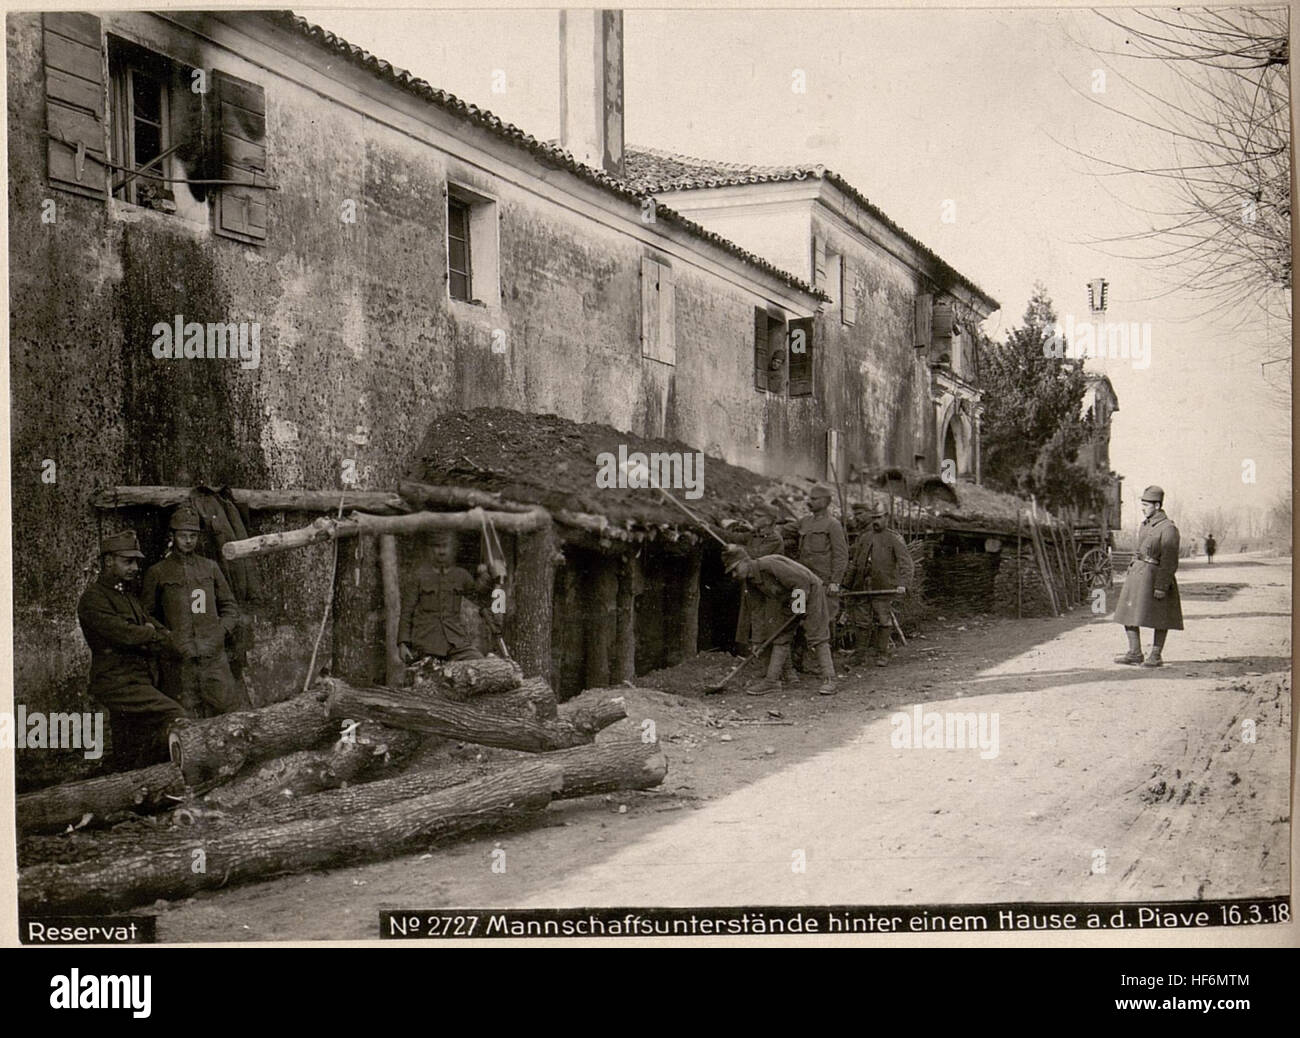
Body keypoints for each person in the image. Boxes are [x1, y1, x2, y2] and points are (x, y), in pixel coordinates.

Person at [76, 530, 185, 770]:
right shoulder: (93, 599)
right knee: (175, 714)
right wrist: (146, 632)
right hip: (117, 683)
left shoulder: (128, 596)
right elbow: (125, 634)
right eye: (128, 561)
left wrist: (152, 632)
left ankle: (130, 791)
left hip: (138, 680)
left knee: (130, 748)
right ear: (108, 561)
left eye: (136, 561)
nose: (135, 567)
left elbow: (156, 630)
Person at [141, 506, 247, 717]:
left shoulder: (210, 568)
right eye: (182, 536)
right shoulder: (158, 572)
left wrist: (219, 634)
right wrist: (170, 638)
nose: (188, 541)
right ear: (172, 536)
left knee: (226, 711)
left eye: (193, 536)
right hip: (179, 660)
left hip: (213, 657)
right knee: (184, 716)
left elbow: (230, 607)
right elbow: (146, 615)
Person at [723, 545, 836, 695]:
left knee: (817, 635)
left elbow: (801, 581)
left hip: (811, 591)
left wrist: (798, 609)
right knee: (779, 636)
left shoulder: (769, 565)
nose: (734, 575)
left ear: (745, 562)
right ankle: (771, 682)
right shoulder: (750, 582)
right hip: (789, 600)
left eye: (735, 569)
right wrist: (757, 641)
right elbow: (757, 611)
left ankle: (830, 679)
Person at [1112, 485, 1183, 668]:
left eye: (1146, 504)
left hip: (1155, 577)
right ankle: (1135, 653)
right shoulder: (1144, 525)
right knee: (1127, 613)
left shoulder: (1168, 529)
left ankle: (1156, 655)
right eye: (1142, 504)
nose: (1142, 508)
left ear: (1157, 506)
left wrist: (1161, 585)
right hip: (1137, 576)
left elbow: (1169, 561)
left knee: (1161, 616)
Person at [399, 531, 493, 663]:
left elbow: (480, 599)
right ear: (430, 549)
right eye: (437, 546)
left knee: (480, 664)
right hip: (426, 645)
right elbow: (406, 612)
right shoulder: (419, 576)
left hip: (456, 643)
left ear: (453, 548)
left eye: (445, 546)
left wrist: (487, 580)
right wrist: (402, 643)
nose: (441, 551)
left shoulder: (461, 576)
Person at [843, 508, 914, 667]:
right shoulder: (865, 537)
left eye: (879, 517)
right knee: (861, 622)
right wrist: (846, 585)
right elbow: (855, 563)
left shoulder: (894, 538)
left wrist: (903, 584)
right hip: (862, 586)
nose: (876, 521)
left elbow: (906, 564)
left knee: (883, 620)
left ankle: (883, 654)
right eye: (874, 517)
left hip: (883, 586)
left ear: (887, 518)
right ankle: (859, 656)